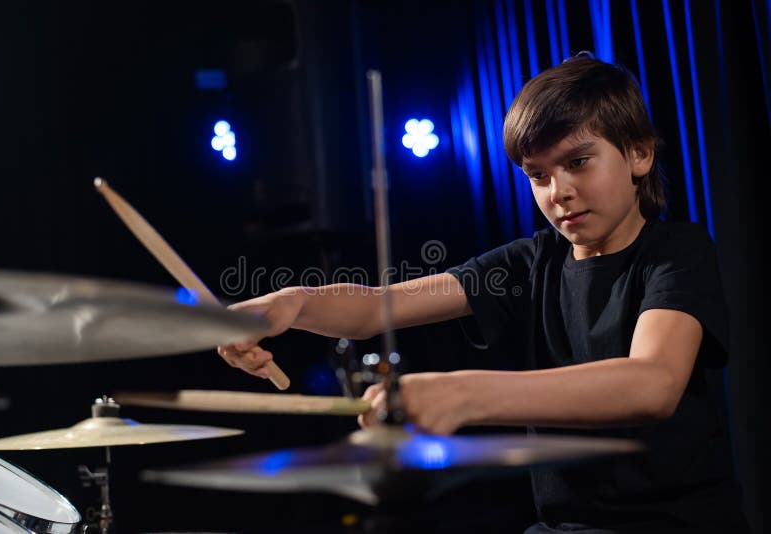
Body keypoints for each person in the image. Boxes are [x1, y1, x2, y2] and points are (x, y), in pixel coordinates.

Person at [217, 55, 749, 533]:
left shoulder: (676, 252)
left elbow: (652, 385)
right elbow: (376, 307)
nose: (558, 192)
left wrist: (465, 395)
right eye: (537, 175)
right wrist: (292, 302)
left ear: (639, 154)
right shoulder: (530, 263)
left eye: (577, 163)